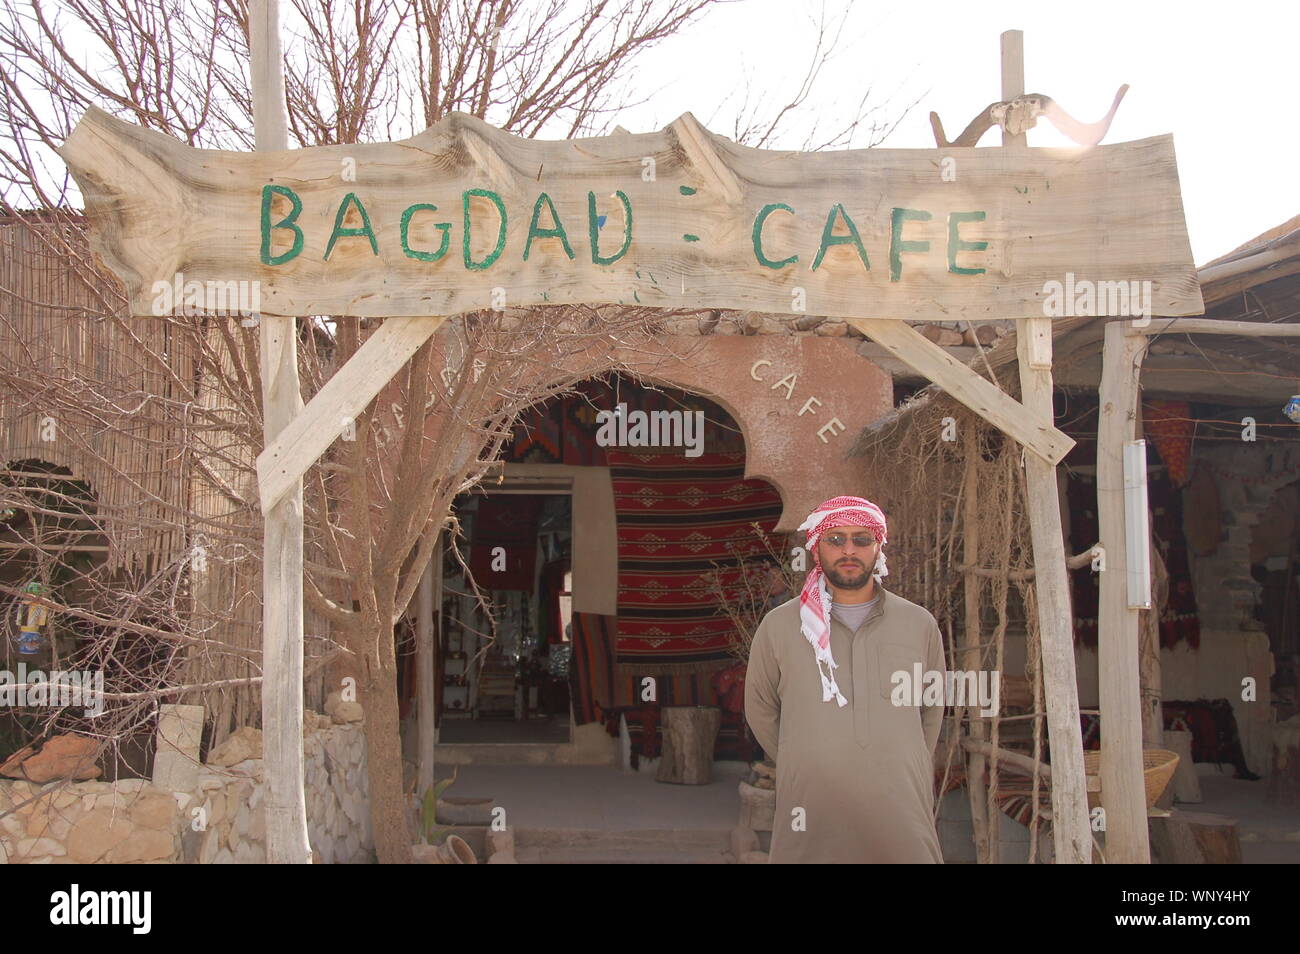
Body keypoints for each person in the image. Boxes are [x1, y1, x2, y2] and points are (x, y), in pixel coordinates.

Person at [744, 495, 946, 863]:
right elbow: (759, 707)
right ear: (816, 548)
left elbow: (932, 710)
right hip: (812, 797)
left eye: (861, 539)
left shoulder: (918, 624)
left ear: (878, 548)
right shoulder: (780, 625)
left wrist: (905, 757)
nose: (848, 550)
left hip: (900, 796)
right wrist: (802, 757)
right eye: (835, 539)